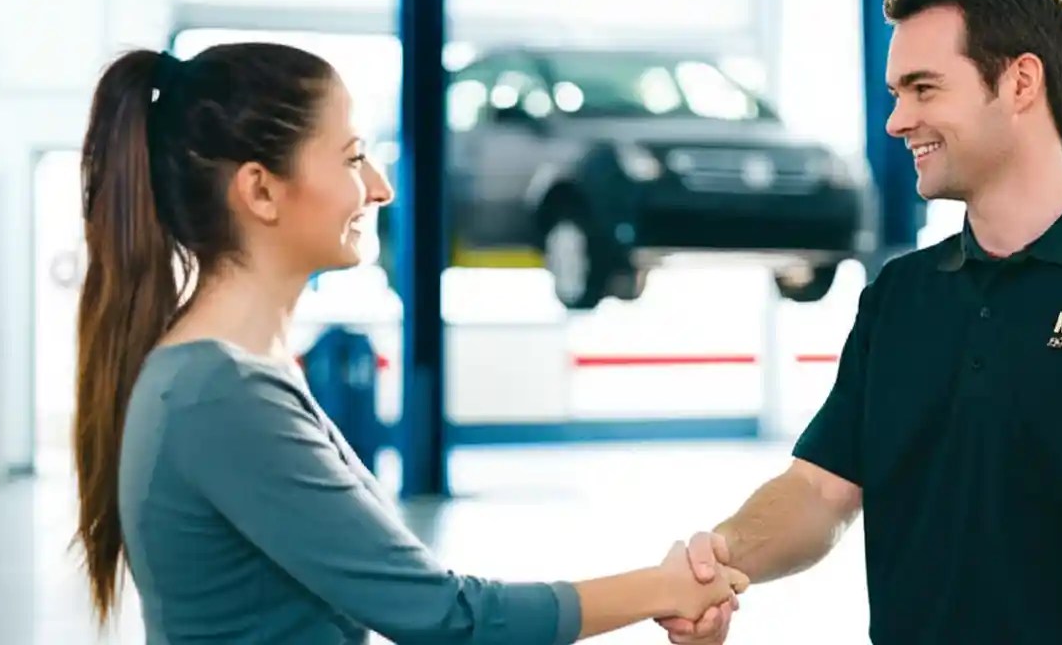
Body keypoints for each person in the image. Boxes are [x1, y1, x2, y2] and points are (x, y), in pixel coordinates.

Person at [657, 0, 1062, 644]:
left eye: (924, 89)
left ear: (1020, 83)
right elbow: (821, 491)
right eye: (896, 94)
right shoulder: (900, 298)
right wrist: (720, 559)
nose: (897, 121)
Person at [70, 43, 746, 644]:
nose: (381, 188)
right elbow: (444, 618)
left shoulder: (231, 375)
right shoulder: (219, 395)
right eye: (352, 158)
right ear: (261, 190)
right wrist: (663, 589)